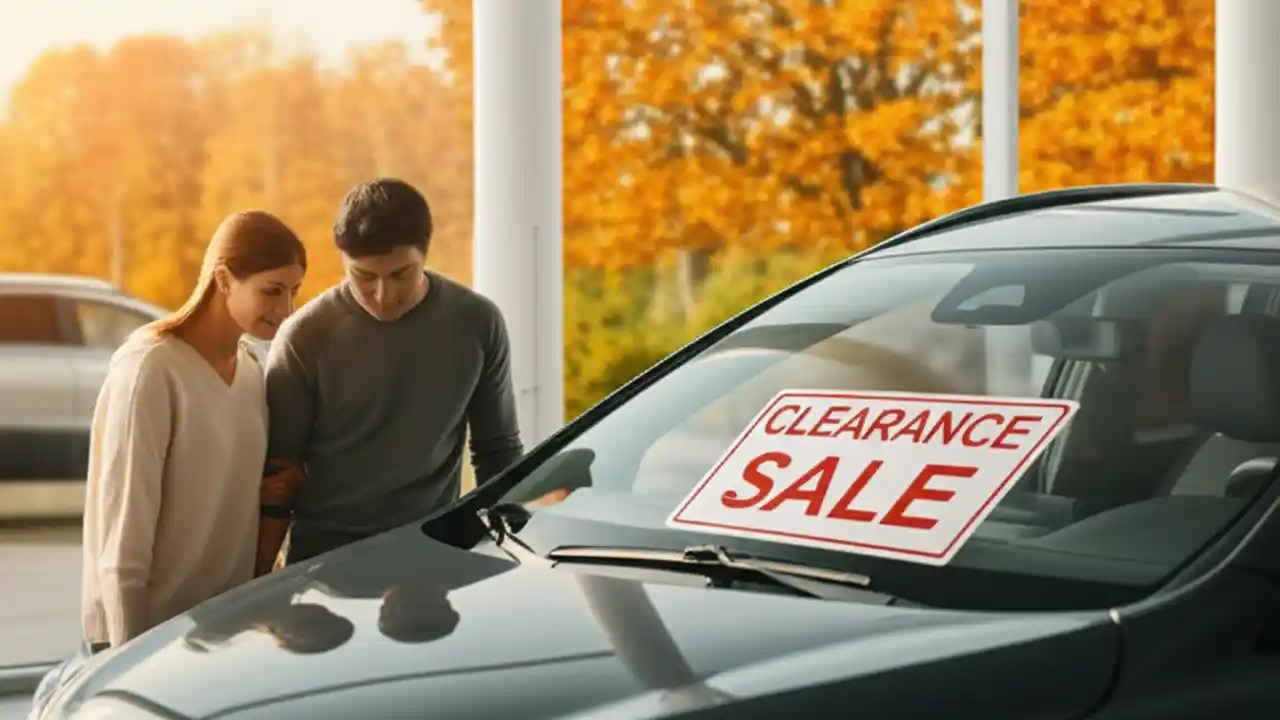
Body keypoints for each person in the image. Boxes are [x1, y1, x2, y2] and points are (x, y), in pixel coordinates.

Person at [80, 210, 308, 653]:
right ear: (223, 279)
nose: (286, 311)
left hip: (219, 633)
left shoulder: (252, 371)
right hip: (143, 639)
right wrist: (130, 664)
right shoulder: (150, 370)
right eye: (272, 291)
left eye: (293, 292)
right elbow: (122, 547)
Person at [261, 178, 523, 565]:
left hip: (434, 557)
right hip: (324, 565)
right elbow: (276, 481)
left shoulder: (477, 323)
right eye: (364, 277)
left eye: (401, 274)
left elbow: (498, 452)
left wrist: (511, 554)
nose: (384, 296)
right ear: (342, 260)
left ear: (425, 255)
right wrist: (259, 579)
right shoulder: (304, 337)